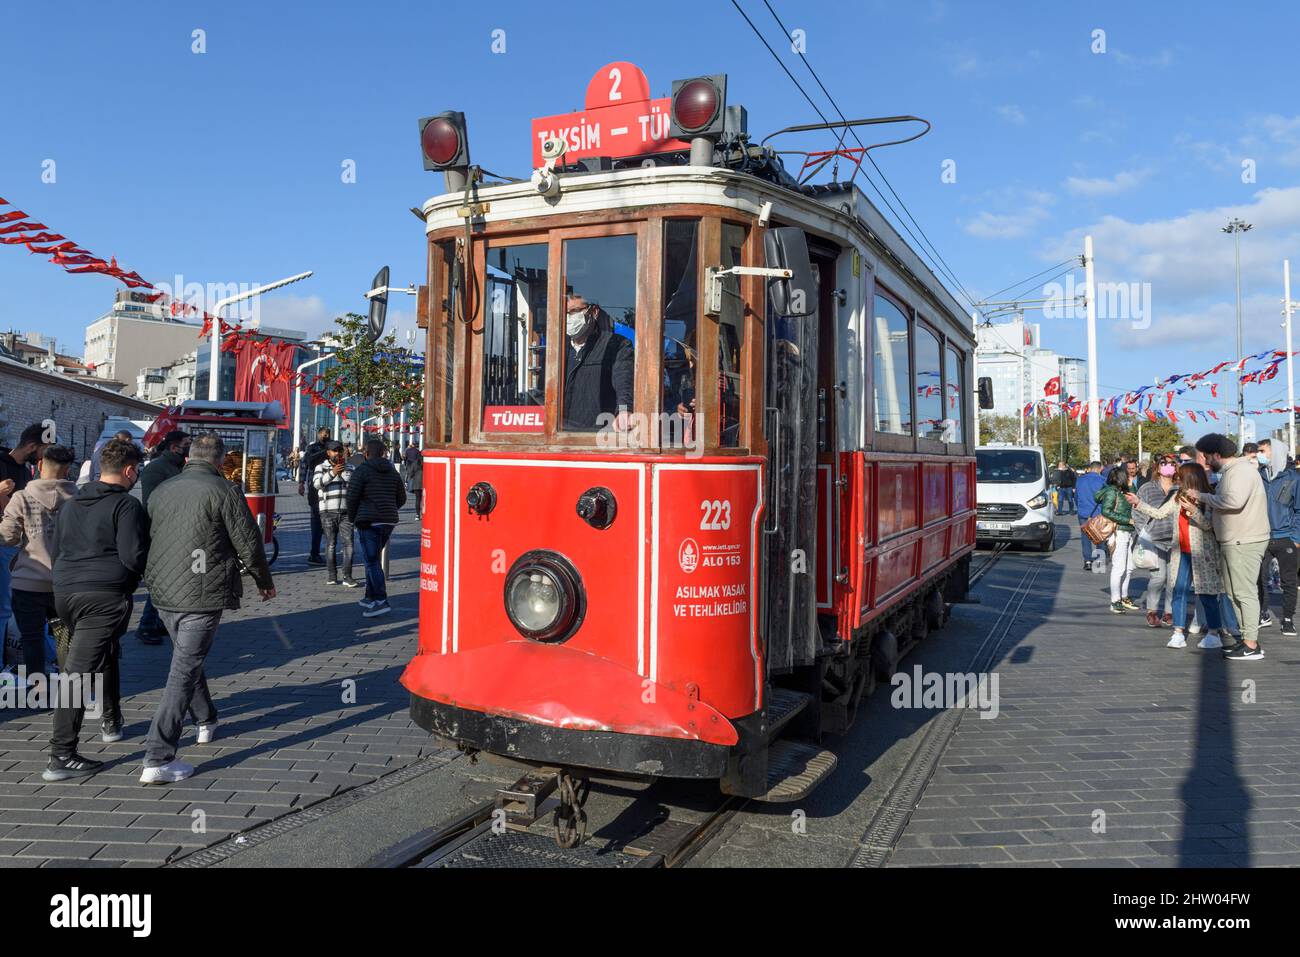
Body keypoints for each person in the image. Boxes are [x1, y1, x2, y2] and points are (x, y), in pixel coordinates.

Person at [141, 432, 275, 784]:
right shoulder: (225, 491)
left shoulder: (162, 491)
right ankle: (157, 756)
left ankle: (206, 720)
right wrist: (263, 581)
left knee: (188, 660)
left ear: (188, 459)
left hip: (163, 592)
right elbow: (248, 541)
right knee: (183, 671)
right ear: (219, 462)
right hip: (202, 592)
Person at [44, 439, 147, 781]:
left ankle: (111, 720)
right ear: (129, 470)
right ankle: (61, 755)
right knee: (77, 672)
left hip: (66, 592)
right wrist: (131, 580)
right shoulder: (127, 506)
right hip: (102, 596)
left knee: (103, 654)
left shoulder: (71, 505)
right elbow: (133, 555)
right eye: (137, 472)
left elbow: (56, 550)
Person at [1182, 433, 1271, 661]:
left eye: (1206, 456)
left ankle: (1251, 644)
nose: (1205, 461)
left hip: (1244, 539)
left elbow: (1234, 501)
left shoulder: (1240, 472)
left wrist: (1201, 496)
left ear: (1217, 455)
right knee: (1233, 593)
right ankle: (1246, 639)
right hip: (1234, 539)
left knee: (1244, 592)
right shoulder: (1232, 472)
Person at [1127, 463, 1229, 649]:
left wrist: (1193, 510)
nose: (1177, 479)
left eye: (1180, 477)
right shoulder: (1177, 496)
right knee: (1178, 591)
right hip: (1180, 552)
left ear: (1190, 477)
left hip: (1203, 555)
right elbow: (1159, 513)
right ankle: (1178, 632)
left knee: (1207, 595)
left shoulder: (1208, 498)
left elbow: (1209, 525)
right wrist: (1138, 503)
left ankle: (1214, 633)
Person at [0, 444, 76, 679]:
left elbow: (8, 537)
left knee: (31, 637)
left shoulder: (22, 498)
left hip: (28, 580)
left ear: (40, 465)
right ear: (67, 470)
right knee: (67, 635)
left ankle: (37, 689)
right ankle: (70, 689)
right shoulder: (80, 499)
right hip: (67, 581)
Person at [134, 430, 191, 645]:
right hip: (158, 532)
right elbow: (152, 503)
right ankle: (146, 625)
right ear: (174, 446)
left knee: (168, 580)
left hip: (176, 531)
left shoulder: (181, 467)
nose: (189, 446)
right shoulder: (157, 468)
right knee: (161, 581)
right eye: (186, 443)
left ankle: (157, 622)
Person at [0, 423, 51, 650]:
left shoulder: (24, 471)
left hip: (14, 546)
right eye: (43, 449)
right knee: (3, 610)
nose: (45, 455)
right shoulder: (1, 463)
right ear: (32, 446)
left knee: (7, 608)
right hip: (3, 544)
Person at [346, 438, 407, 619]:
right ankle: (370, 596)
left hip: (368, 520)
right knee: (371, 559)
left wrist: (352, 517)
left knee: (371, 561)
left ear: (366, 453)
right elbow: (402, 497)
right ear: (383, 453)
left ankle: (380, 600)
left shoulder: (362, 470)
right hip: (388, 521)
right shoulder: (392, 472)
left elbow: (352, 496)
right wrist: (389, 508)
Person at [562, 292, 634, 431]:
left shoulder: (616, 345)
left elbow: (624, 381)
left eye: (575, 311)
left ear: (594, 312)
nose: (569, 318)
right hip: (562, 433)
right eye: (565, 313)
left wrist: (624, 411)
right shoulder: (558, 350)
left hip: (598, 435)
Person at [1256, 438, 1300, 635]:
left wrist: (1296, 537)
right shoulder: (1258, 476)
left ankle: (1288, 619)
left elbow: (1298, 510)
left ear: (1276, 452)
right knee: (1259, 579)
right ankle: (1262, 613)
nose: (1260, 454)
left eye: (1263, 451)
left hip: (1286, 537)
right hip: (1261, 536)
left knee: (1288, 581)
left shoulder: (1294, 478)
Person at [1134, 454, 1178, 628]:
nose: (1168, 466)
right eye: (1164, 463)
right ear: (1158, 468)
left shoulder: (1180, 488)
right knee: (1159, 577)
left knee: (1173, 580)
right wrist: (1143, 532)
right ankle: (1152, 611)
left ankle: (1169, 612)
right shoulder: (1146, 488)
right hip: (1155, 539)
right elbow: (1137, 512)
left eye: (1171, 464)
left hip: (1176, 539)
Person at [312, 440, 358, 587]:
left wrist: (343, 473)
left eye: (339, 450)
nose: (337, 453)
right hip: (327, 511)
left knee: (349, 544)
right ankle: (332, 575)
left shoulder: (350, 467)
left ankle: (347, 576)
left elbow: (354, 487)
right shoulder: (321, 467)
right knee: (331, 544)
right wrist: (332, 473)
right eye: (334, 450)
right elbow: (317, 484)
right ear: (328, 453)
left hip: (346, 511)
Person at [1095, 465, 1137, 613]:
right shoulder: (1112, 492)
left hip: (1127, 532)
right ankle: (1115, 600)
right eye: (1126, 476)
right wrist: (1127, 520)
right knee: (1119, 568)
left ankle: (1124, 597)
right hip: (1118, 532)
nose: (1129, 477)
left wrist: (1131, 486)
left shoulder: (1122, 491)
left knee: (1129, 567)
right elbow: (1106, 511)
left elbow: (1134, 499)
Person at [297, 426, 330, 566]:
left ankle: (329, 551)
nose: (326, 435)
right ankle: (314, 553)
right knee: (316, 520)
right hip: (315, 489)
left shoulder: (334, 446)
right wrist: (301, 483)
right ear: (318, 434)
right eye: (323, 433)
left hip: (331, 489)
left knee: (329, 521)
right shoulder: (312, 449)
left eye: (328, 433)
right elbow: (305, 464)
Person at [1076, 461, 1107, 572]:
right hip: (1098, 513)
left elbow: (1076, 496)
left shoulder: (1080, 480)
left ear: (1090, 468)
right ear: (1099, 469)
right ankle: (1099, 563)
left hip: (1084, 512)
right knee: (1099, 538)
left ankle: (1087, 561)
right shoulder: (1103, 481)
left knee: (1085, 537)